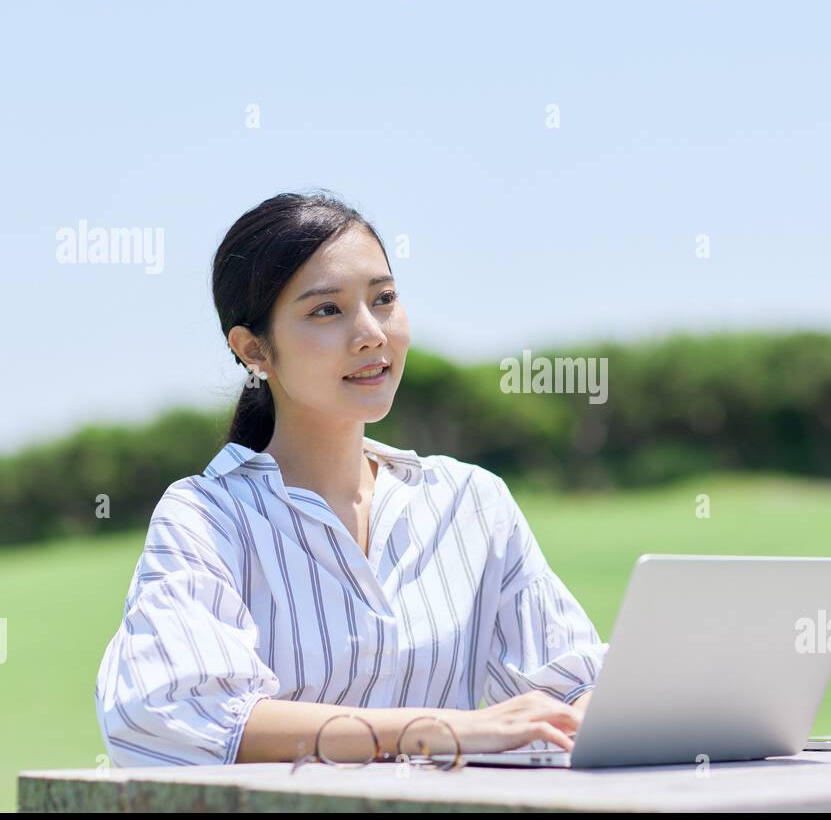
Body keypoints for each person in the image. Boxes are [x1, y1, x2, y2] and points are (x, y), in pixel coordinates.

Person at [94, 190, 608, 767]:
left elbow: (572, 682)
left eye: (383, 298)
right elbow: (173, 713)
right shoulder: (207, 518)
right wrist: (440, 729)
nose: (371, 333)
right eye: (325, 310)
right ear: (253, 350)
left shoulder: (471, 501)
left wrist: (601, 708)